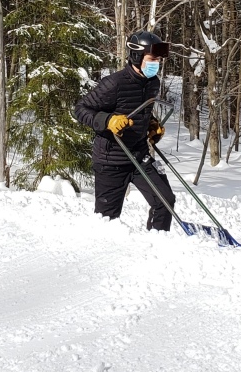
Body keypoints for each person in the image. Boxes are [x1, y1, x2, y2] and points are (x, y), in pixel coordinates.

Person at [74, 31, 175, 231]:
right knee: (107, 220)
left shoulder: (152, 83)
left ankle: (158, 243)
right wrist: (108, 120)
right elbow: (80, 109)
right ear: (137, 56)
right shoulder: (114, 83)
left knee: (165, 201)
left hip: (138, 155)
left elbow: (140, 111)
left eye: (158, 60)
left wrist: (152, 125)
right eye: (152, 58)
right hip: (111, 160)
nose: (156, 63)